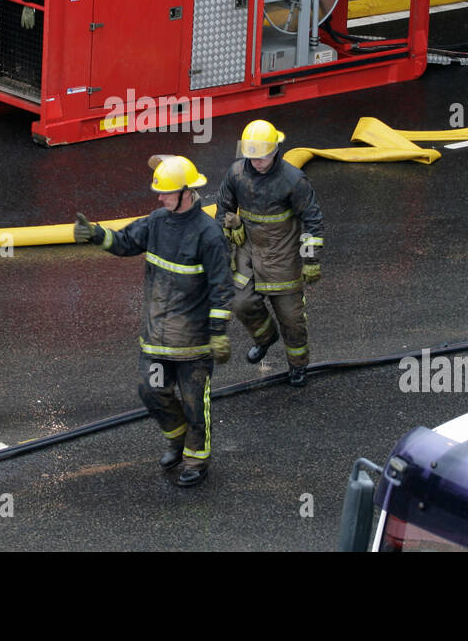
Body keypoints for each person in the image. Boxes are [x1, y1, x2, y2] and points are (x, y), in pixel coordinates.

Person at [74, 154, 232, 488]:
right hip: (157, 342)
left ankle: (195, 460)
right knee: (152, 390)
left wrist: (218, 332)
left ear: (187, 193)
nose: (158, 197)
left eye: (166, 192)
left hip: (193, 346)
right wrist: (96, 235)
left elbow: (222, 287)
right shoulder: (158, 221)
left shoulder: (210, 235)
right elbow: (126, 242)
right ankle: (177, 441)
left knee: (193, 403)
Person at [215, 120, 324, 388]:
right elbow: (222, 208)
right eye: (251, 155)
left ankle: (298, 366)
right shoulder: (237, 173)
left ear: (275, 150)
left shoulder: (293, 180)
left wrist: (310, 259)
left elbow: (313, 220)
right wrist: (229, 230)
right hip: (248, 249)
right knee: (240, 302)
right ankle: (265, 338)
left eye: (262, 155)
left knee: (292, 318)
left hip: (282, 254)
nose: (256, 161)